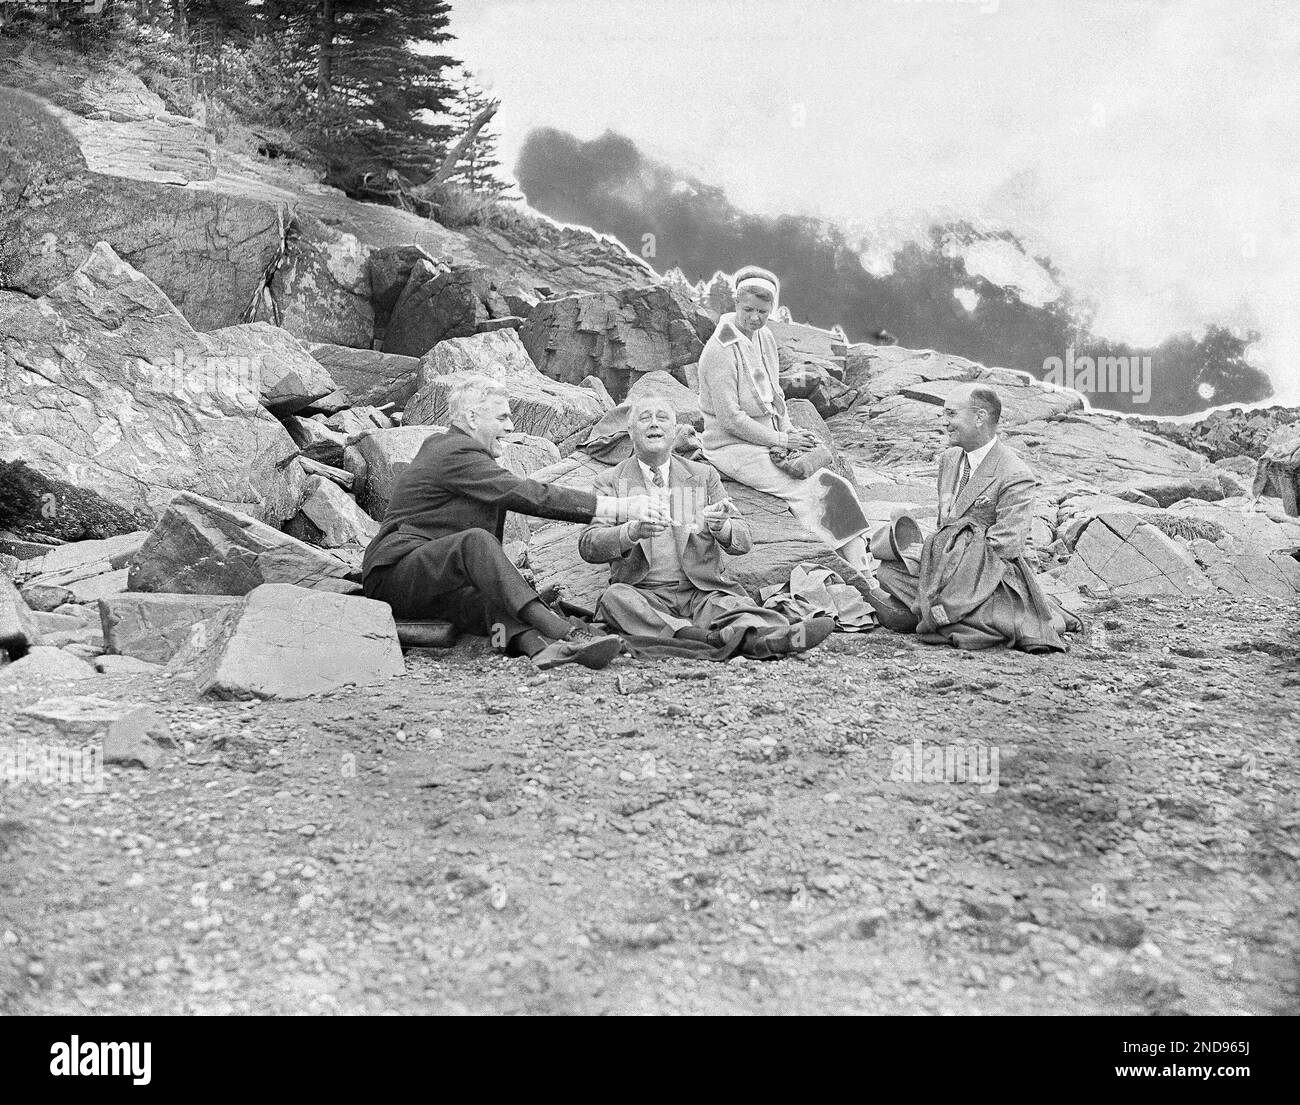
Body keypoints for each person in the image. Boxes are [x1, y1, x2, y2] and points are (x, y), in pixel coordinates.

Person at [361, 374, 670, 670]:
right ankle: (561, 630)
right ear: (471, 418)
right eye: (502, 418)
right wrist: (620, 507)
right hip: (394, 574)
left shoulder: (462, 453)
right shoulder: (451, 450)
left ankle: (542, 649)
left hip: (432, 583)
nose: (510, 426)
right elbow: (529, 495)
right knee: (476, 541)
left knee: (488, 603)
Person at [578, 396, 834, 659]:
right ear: (630, 431)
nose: (654, 424)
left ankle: (768, 636)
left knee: (738, 608)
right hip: (643, 594)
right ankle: (720, 640)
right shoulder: (609, 481)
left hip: (701, 593)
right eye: (645, 418)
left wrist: (722, 528)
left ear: (675, 429)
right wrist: (630, 532)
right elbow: (588, 545)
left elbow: (743, 541)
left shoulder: (703, 475)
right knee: (615, 599)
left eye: (662, 418)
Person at [696, 265, 878, 580]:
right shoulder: (718, 349)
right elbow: (730, 418)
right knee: (810, 489)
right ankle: (853, 571)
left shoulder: (764, 337)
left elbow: (775, 395)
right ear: (736, 304)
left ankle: (858, 563)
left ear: (772, 310)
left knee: (838, 484)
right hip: (731, 446)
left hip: (771, 436)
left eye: (763, 312)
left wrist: (791, 430)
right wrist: (782, 442)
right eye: (748, 309)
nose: (754, 318)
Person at [868, 383, 1077, 651]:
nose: (945, 423)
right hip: (948, 565)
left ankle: (1026, 613)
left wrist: (944, 571)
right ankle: (949, 613)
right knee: (888, 572)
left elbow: (1005, 546)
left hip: (990, 574)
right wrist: (932, 560)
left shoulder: (1015, 473)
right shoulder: (949, 459)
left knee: (923, 597)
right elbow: (945, 528)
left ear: (980, 417)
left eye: (952, 414)